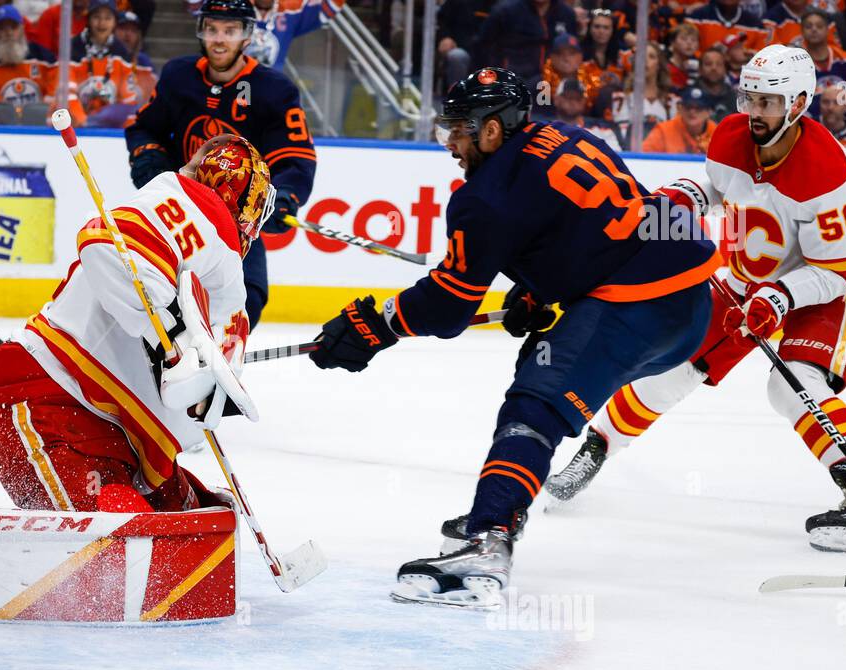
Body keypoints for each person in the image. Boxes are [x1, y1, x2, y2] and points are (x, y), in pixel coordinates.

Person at [307, 67, 718, 608]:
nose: (450, 144)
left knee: (534, 408)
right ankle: (499, 512)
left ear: (493, 130)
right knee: (539, 370)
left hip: (636, 304)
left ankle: (489, 537)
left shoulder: (485, 197)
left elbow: (450, 304)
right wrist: (540, 288)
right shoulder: (563, 136)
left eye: (459, 130)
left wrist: (374, 324)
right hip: (691, 302)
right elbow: (588, 226)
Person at [547, 45, 846, 552]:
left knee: (791, 383)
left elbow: (838, 268)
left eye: (768, 102)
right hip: (745, 279)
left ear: (798, 104)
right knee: (672, 363)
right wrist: (680, 197)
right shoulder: (732, 134)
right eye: (750, 97)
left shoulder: (827, 171)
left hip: (820, 289)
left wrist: (781, 295)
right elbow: (716, 184)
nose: (754, 111)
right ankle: (597, 447)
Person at [0, 135, 272, 513]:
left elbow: (207, 399)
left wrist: (198, 376)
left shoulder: (223, 268)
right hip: (56, 402)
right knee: (124, 543)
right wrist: (171, 334)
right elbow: (107, 247)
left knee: (198, 519)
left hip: (115, 433)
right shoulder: (195, 208)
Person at [125, 0, 316, 328]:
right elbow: (145, 127)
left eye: (230, 30)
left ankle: (216, 361)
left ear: (247, 36)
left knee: (247, 301)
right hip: (177, 208)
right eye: (212, 29)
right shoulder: (178, 75)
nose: (219, 39)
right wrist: (149, 154)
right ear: (201, 30)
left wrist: (284, 195)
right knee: (149, 288)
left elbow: (295, 157)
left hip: (235, 220)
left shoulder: (273, 89)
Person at [475, 0, 577, 85]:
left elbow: (573, 51)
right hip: (512, 81)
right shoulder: (504, 11)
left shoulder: (567, 13)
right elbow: (483, 48)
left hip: (553, 83)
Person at [244, 0, 345, 69]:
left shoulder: (291, 11)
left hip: (272, 92)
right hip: (236, 87)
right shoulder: (238, 8)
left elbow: (333, 5)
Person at [642, 84, 716, 153]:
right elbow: (643, 158)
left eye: (699, 108)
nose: (692, 112)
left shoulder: (717, 134)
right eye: (688, 107)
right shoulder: (664, 131)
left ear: (709, 112)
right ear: (680, 108)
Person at [116, 9, 156, 105]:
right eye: (123, 28)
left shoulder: (143, 61)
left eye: (133, 30)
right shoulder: (102, 57)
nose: (128, 34)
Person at [694, 46, 736, 121]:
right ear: (700, 69)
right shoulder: (691, 95)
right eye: (708, 64)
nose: (714, 68)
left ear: (725, 69)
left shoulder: (734, 98)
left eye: (719, 64)